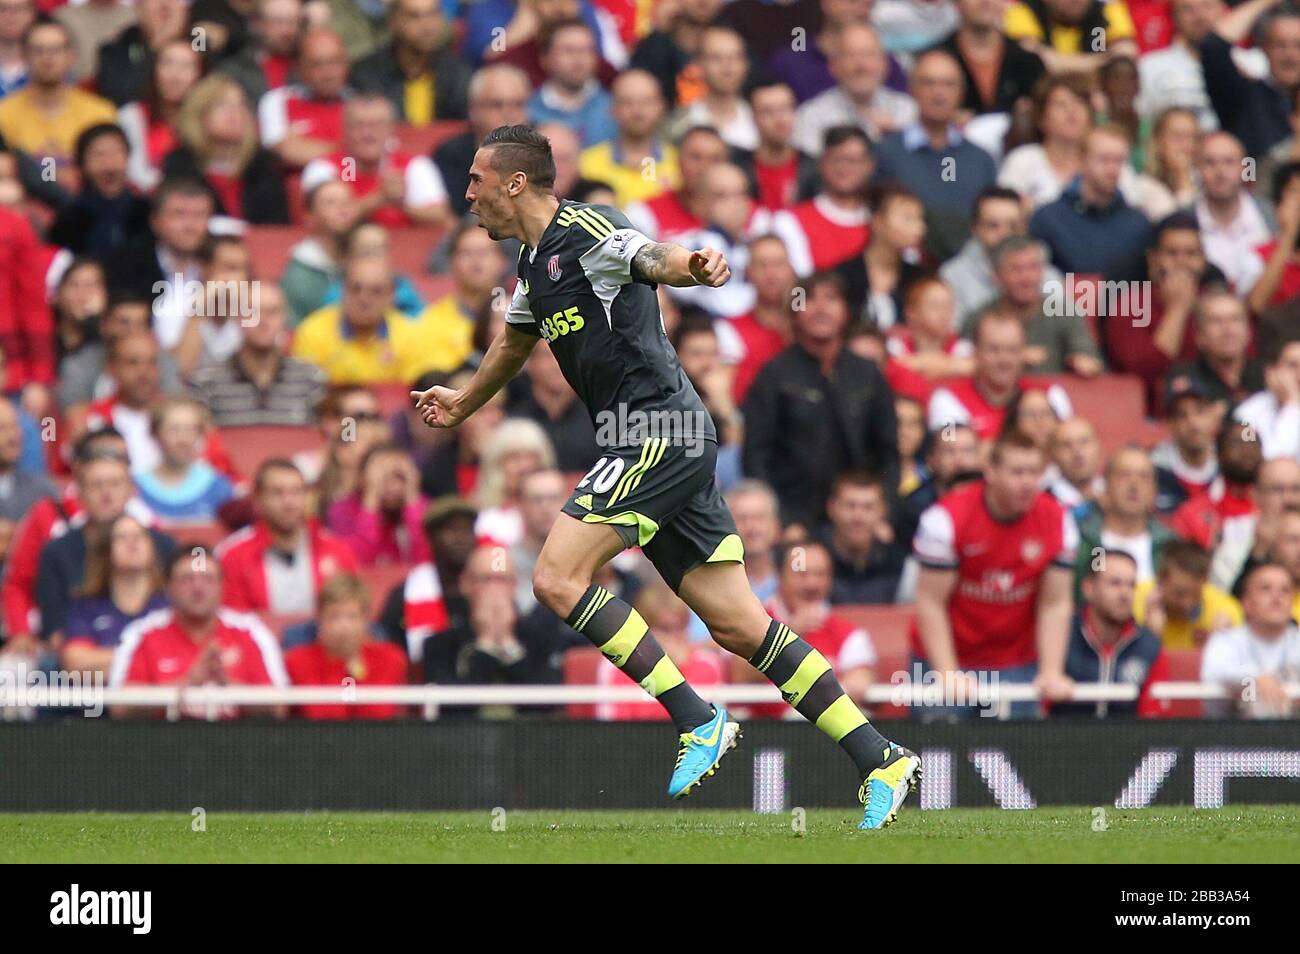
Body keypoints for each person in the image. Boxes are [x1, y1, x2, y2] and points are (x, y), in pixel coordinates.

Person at [411, 124, 921, 828]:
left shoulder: (586, 228)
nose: (465, 194)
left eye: (475, 180)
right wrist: (464, 400)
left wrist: (695, 266)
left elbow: (649, 255)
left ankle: (697, 718)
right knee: (743, 628)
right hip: (656, 442)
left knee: (556, 578)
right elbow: (515, 339)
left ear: (515, 183)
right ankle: (880, 757)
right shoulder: (533, 265)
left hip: (658, 434)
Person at [912, 429, 1077, 718]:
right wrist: (947, 672)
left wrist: (1051, 671)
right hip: (947, 657)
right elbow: (930, 602)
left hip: (1016, 661)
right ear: (991, 471)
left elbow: (1055, 603)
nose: (1027, 482)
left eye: (1033, 472)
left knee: (1021, 757)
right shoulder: (944, 520)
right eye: (1017, 472)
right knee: (936, 756)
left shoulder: (1059, 522)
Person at [109, 546, 289, 720]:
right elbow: (120, 708)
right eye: (187, 579)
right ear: (168, 586)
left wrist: (228, 683)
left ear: (222, 586)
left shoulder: (252, 631)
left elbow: (279, 708)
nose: (198, 588)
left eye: (208, 579)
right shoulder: (141, 634)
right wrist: (188, 682)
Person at [36, 450, 176, 641]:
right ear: (79, 494)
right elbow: (55, 633)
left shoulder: (163, 545)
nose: (106, 493)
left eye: (115, 484)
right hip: (82, 657)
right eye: (96, 485)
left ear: (131, 491)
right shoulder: (56, 552)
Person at [216, 458, 358, 614]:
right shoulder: (232, 555)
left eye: (296, 492)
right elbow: (234, 622)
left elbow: (351, 614)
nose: (288, 502)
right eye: (277, 493)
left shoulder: (337, 550)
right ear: (257, 500)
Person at [188, 284, 329, 428]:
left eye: (273, 312)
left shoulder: (311, 379)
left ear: (285, 319)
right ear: (238, 317)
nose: (263, 321)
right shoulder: (207, 381)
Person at [1056, 549, 1170, 718]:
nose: (1125, 593)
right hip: (1060, 742)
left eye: (1131, 585)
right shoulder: (1059, 637)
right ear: (1088, 588)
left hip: (1129, 743)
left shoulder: (1150, 646)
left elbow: (1153, 723)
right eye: (1115, 583)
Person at [283, 573, 409, 719]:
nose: (343, 626)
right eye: (334, 616)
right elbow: (324, 715)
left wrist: (356, 670)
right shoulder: (297, 661)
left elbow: (377, 714)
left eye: (352, 617)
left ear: (366, 619)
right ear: (319, 618)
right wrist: (341, 666)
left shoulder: (391, 659)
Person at [60, 514, 169, 675]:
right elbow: (75, 663)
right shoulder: (85, 606)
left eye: (139, 536)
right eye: (121, 538)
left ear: (152, 549)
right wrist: (149, 662)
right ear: (106, 552)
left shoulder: (169, 607)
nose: (132, 542)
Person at [1201, 562, 1300, 718]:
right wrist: (1255, 678)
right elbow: (1213, 672)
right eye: (1265, 589)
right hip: (1235, 736)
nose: (1276, 597)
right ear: (1246, 602)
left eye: (1285, 590)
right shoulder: (1227, 641)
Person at [133, 397, 236, 523]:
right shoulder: (134, 488)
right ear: (155, 434)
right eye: (174, 429)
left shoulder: (219, 487)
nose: (183, 439)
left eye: (190, 429)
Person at [326, 442, 429, 567]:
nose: (392, 486)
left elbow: (427, 560)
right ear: (362, 478)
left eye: (400, 477)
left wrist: (412, 497)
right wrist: (371, 501)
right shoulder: (342, 511)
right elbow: (357, 561)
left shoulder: (421, 507)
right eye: (383, 478)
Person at [1134, 539, 1242, 650]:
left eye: (1196, 595)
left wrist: (1221, 644)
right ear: (1161, 580)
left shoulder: (1225, 611)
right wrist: (1149, 634)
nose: (1187, 603)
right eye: (1180, 594)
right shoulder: (1133, 603)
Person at [820, 472, 906, 604]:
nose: (858, 517)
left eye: (868, 508)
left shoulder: (899, 564)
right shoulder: (807, 559)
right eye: (850, 506)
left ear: (882, 511)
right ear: (832, 508)